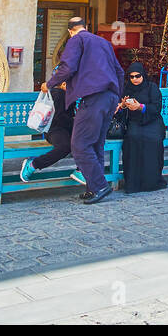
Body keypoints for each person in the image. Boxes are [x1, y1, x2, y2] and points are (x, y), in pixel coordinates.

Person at [43, 16, 125, 204]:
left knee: (79, 145)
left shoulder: (75, 40)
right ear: (86, 27)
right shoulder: (103, 42)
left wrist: (50, 84)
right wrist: (117, 99)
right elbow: (119, 71)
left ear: (70, 31)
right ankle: (92, 188)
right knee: (95, 144)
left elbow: (67, 67)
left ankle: (100, 186)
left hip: (93, 98)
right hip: (109, 97)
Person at [117, 62, 168, 193]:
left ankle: (152, 181)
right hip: (135, 122)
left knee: (154, 140)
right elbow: (120, 114)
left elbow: (157, 108)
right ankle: (133, 183)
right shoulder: (126, 89)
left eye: (137, 76)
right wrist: (122, 106)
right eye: (131, 77)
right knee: (132, 139)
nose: (134, 79)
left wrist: (140, 107)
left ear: (143, 75)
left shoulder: (152, 87)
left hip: (153, 121)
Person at [20, 82, 78, 183]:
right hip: (55, 130)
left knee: (85, 140)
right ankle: (33, 164)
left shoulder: (69, 95)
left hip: (66, 129)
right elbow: (59, 118)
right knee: (65, 147)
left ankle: (82, 170)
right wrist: (76, 122)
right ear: (64, 84)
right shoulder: (59, 94)